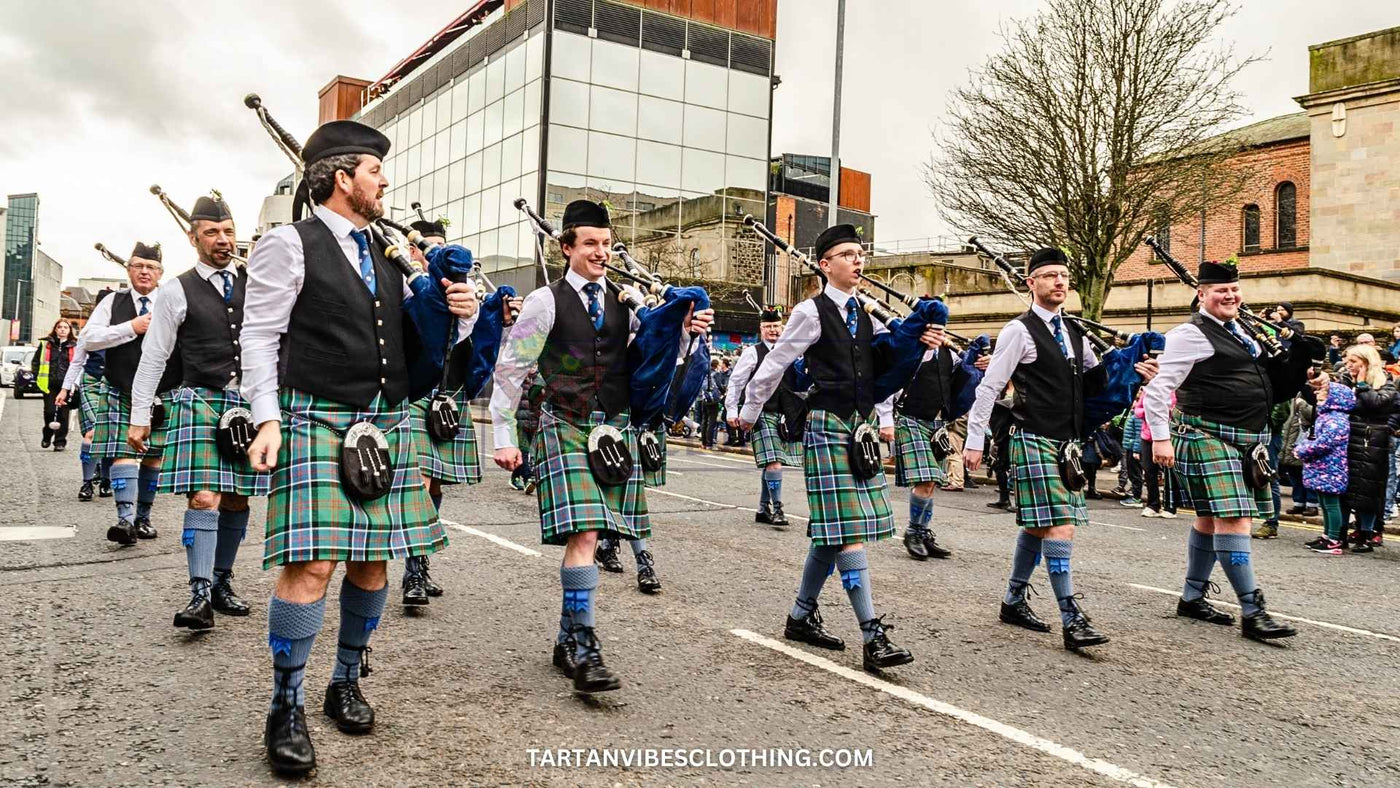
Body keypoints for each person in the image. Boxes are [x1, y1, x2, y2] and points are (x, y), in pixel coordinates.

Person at [240, 120, 480, 774]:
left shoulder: (388, 255)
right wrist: (266, 418)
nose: (385, 181)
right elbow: (259, 337)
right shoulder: (288, 245)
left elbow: (413, 342)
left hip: (383, 421)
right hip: (315, 415)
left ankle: (346, 677)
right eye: (375, 171)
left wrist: (457, 315)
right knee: (312, 566)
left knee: (373, 568)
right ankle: (285, 704)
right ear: (343, 178)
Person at [489, 199, 713, 693]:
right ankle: (585, 644)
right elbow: (510, 370)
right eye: (590, 243)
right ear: (567, 248)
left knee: (590, 536)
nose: (601, 252)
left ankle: (568, 637)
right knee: (587, 536)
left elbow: (650, 360)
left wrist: (684, 334)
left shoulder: (623, 301)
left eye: (607, 244)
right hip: (564, 424)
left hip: (611, 430)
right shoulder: (545, 302)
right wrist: (503, 436)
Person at [739, 223, 937, 672]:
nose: (858, 260)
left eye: (861, 253)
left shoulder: (864, 314)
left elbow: (879, 377)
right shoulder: (810, 312)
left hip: (860, 426)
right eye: (847, 254)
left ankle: (800, 616)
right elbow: (776, 362)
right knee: (849, 532)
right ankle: (872, 635)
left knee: (833, 531)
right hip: (827, 425)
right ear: (825, 265)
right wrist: (750, 411)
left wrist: (887, 411)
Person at [965, 248, 1157, 650]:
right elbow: (989, 386)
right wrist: (975, 438)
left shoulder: (1073, 332)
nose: (1059, 282)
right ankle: (1071, 617)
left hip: (1066, 441)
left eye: (1064, 275)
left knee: (1038, 526)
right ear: (1031, 283)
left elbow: (1096, 380)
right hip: (1033, 436)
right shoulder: (1019, 331)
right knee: (1060, 526)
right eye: (1050, 275)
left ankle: (1013, 600)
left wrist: (1133, 372)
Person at [126, 195, 267, 630]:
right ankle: (200, 593)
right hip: (201, 399)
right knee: (204, 496)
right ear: (194, 238)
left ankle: (223, 581)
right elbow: (154, 355)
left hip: (251, 402)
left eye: (228, 231)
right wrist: (139, 413)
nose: (222, 240)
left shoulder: (259, 282)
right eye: (212, 232)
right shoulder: (175, 290)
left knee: (239, 498)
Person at [1143, 258, 1296, 642]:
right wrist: (1160, 437)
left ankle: (1192, 597)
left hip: (1244, 438)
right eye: (1220, 290)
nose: (1230, 295)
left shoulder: (1240, 331)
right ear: (1202, 294)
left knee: (1210, 519)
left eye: (1234, 290)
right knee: (1235, 519)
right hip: (1207, 434)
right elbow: (1161, 388)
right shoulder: (1188, 334)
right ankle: (1252, 610)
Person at [401, 218, 520, 607]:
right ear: (415, 253)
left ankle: (418, 562)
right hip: (413, 397)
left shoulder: (467, 295)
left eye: (439, 245)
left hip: (448, 398)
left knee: (433, 487)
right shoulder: (405, 287)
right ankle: (414, 573)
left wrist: (492, 318)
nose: (432, 252)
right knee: (418, 483)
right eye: (426, 247)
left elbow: (478, 351)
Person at [68, 243, 174, 545]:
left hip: (162, 391)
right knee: (122, 453)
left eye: (150, 267)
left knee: (153, 456)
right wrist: (131, 326)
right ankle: (125, 521)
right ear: (128, 270)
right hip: (120, 387)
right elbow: (88, 338)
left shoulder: (172, 299)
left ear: (160, 273)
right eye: (138, 265)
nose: (144, 271)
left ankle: (143, 518)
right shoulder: (113, 302)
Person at [893, 334, 989, 559]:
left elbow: (966, 373)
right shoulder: (913, 351)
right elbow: (892, 383)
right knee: (926, 479)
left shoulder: (950, 354)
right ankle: (913, 533)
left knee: (932, 482)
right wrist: (886, 419)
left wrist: (979, 358)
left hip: (937, 423)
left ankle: (922, 533)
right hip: (911, 418)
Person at [726, 307, 803, 527]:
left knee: (772, 464)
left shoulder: (792, 351)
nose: (773, 330)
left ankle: (762, 509)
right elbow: (736, 382)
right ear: (761, 329)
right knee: (774, 464)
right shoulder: (753, 352)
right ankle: (778, 510)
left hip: (786, 415)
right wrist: (732, 410)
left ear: (783, 327)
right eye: (768, 327)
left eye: (776, 326)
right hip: (761, 413)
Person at [1319, 344, 1394, 553]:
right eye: (1348, 361)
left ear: (1367, 361)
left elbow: (1378, 404)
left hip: (1373, 441)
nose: (1348, 365)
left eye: (1353, 361)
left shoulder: (1385, 381)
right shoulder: (1344, 379)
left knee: (1368, 491)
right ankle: (1339, 534)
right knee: (1343, 487)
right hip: (1348, 438)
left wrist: (1361, 384)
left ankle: (1365, 534)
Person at [57, 311, 115, 500]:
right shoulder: (88, 334)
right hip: (90, 383)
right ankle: (87, 483)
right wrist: (65, 390)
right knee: (92, 433)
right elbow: (76, 363)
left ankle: (106, 480)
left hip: (116, 384)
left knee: (108, 436)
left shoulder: (124, 331)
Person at [1293, 381, 1354, 554]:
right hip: (1322, 466)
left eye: (1323, 392)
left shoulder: (1337, 419)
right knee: (1324, 503)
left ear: (1334, 398)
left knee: (1331, 504)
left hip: (1330, 467)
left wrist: (1302, 450)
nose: (1318, 393)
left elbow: (1324, 442)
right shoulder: (1327, 416)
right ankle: (1327, 536)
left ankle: (1334, 539)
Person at [1273, 394, 1318, 529]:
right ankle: (1298, 502)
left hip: (1302, 439)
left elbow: (1313, 415)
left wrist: (1302, 404)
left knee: (1306, 473)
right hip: (1290, 438)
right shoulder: (1291, 394)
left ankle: (1312, 504)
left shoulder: (1309, 395)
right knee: (1293, 472)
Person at [32, 319, 76, 450]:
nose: (62, 329)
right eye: (60, 327)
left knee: (63, 414)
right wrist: (36, 376)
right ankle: (47, 435)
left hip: (67, 386)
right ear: (55, 329)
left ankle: (60, 442)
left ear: (69, 331)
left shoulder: (75, 345)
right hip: (49, 384)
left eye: (65, 327)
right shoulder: (46, 344)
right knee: (50, 412)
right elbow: (36, 362)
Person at [1134, 393, 1177, 518]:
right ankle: (1153, 505)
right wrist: (1151, 412)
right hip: (1148, 436)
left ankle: (1170, 507)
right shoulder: (1148, 392)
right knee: (1148, 470)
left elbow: (1175, 411)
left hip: (1167, 437)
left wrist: (1163, 411)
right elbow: (1137, 410)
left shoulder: (1173, 390)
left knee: (1170, 472)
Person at [697, 358, 722, 449]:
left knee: (704, 421)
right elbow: (719, 385)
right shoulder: (716, 374)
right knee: (712, 422)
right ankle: (709, 444)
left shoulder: (705, 372)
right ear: (716, 365)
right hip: (713, 400)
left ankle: (703, 443)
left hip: (704, 399)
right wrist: (723, 393)